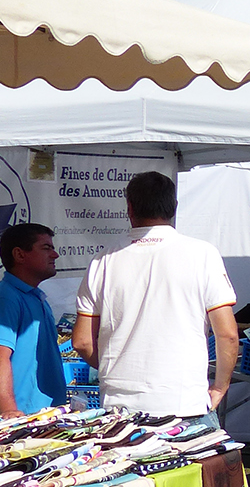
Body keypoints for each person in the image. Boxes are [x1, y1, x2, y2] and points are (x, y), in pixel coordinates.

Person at [74, 172, 239, 426]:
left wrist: (113, 369)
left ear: (129, 207)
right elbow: (227, 333)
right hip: (184, 403)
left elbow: (83, 341)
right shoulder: (202, 254)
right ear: (174, 207)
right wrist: (220, 386)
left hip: (120, 407)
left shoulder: (102, 260)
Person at [0, 224, 66, 417]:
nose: (55, 255)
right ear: (19, 255)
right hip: (22, 420)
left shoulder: (38, 297)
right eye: (46, 248)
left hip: (47, 415)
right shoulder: (7, 298)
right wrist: (9, 411)